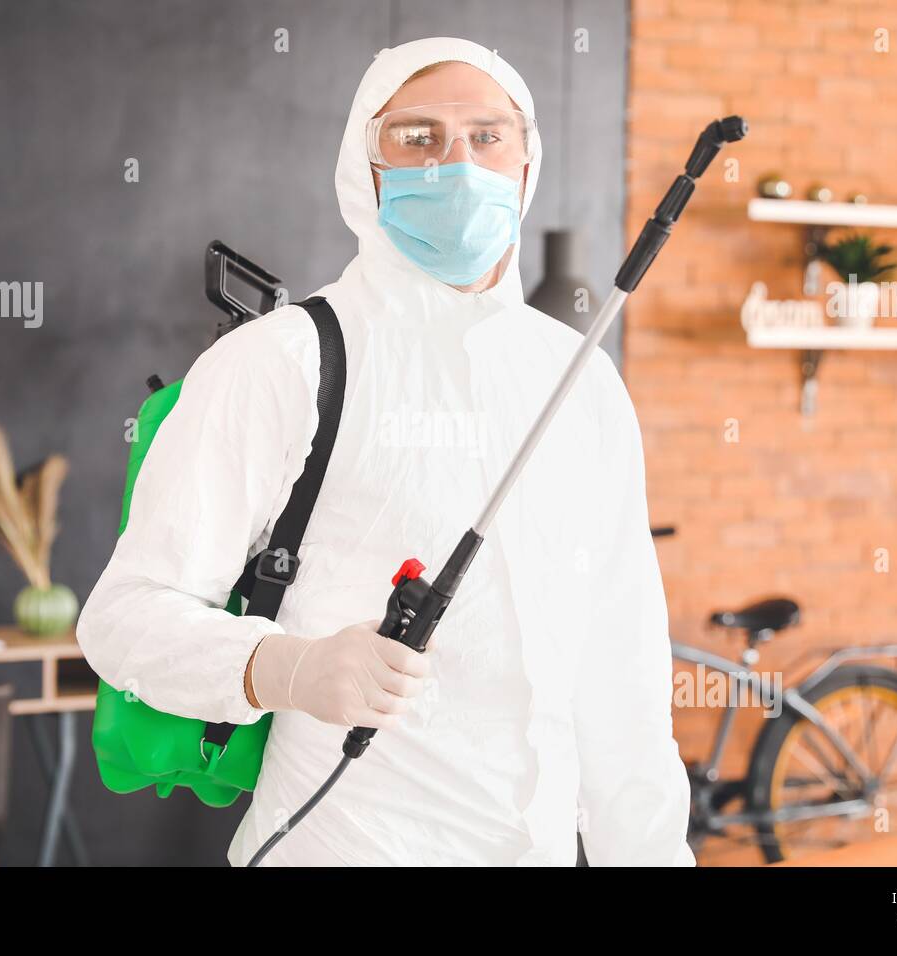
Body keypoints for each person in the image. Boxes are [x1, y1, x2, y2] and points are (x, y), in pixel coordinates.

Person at [78, 36, 694, 867]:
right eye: (416, 137)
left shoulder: (580, 384)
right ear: (363, 168)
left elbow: (623, 672)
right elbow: (122, 618)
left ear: (525, 161)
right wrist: (285, 668)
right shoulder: (283, 361)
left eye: (487, 136)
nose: (457, 164)